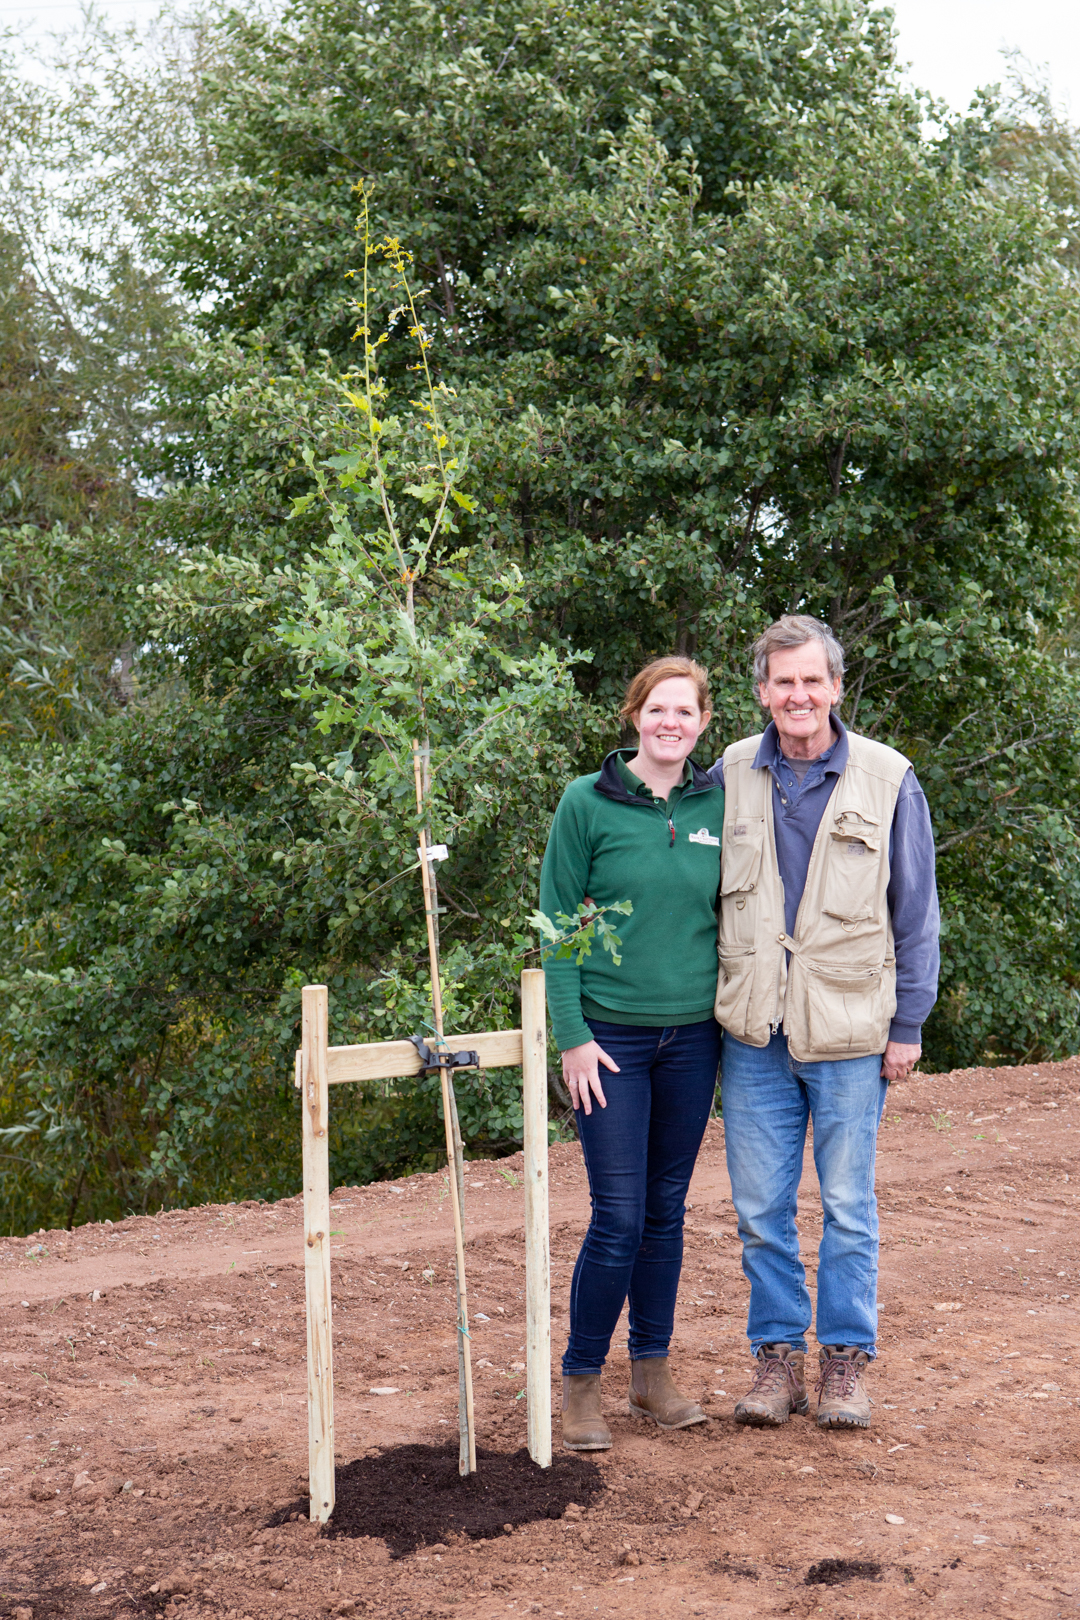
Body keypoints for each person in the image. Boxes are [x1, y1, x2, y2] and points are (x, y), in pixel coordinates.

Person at [709, 615, 939, 1430]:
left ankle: (844, 1362)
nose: (798, 695)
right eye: (784, 682)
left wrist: (909, 1024)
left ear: (836, 687)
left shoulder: (888, 777)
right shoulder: (730, 771)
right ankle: (778, 1361)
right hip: (754, 1033)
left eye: (813, 680)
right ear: (762, 691)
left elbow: (916, 913)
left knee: (847, 1205)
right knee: (759, 1211)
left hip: (851, 1031)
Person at [539, 655, 725, 1451]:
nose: (670, 723)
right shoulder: (587, 802)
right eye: (657, 709)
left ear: (704, 722)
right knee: (617, 1217)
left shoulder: (720, 802)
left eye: (685, 712)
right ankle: (582, 1382)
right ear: (634, 715)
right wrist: (572, 1037)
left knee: (665, 1213)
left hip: (695, 1039)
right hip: (609, 1040)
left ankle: (651, 1375)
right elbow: (556, 927)